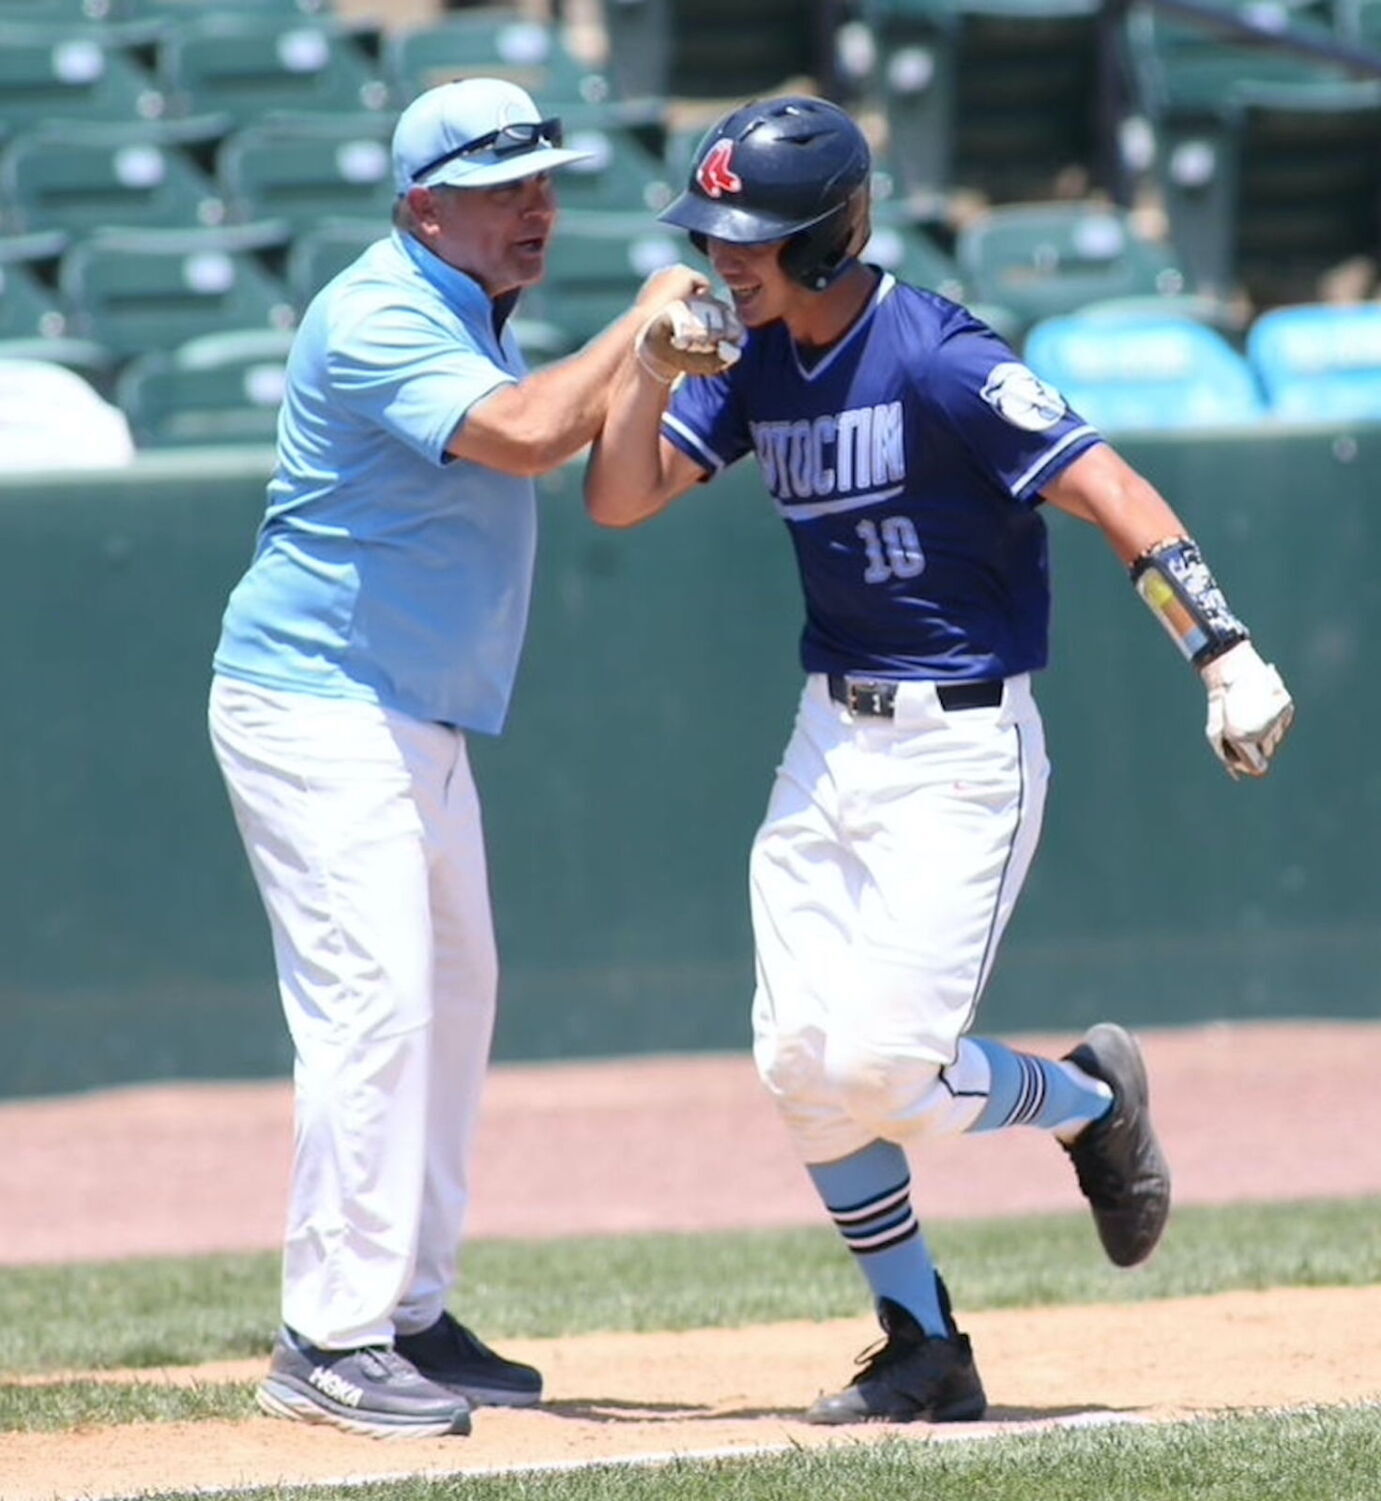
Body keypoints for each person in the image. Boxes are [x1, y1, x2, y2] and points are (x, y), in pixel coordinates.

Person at [584, 95, 1294, 1424]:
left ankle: (1088, 1101)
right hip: (827, 737)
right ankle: (925, 1344)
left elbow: (1111, 492)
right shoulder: (745, 359)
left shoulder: (942, 357)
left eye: (750, 235)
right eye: (712, 234)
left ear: (825, 236)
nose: (723, 257)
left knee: (886, 1072)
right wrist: (646, 366)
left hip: (960, 746)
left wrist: (1222, 649)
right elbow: (616, 498)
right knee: (799, 1064)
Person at [208, 76, 708, 1439]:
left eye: (542, 181)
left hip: (408, 714)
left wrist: (653, 360)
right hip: (316, 704)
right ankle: (328, 1337)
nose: (534, 208)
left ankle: (409, 1310)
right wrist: (641, 323)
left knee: (451, 1004)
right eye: (500, 189)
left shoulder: (469, 303)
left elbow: (585, 441)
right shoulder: (377, 308)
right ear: (426, 208)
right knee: (373, 1008)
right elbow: (533, 435)